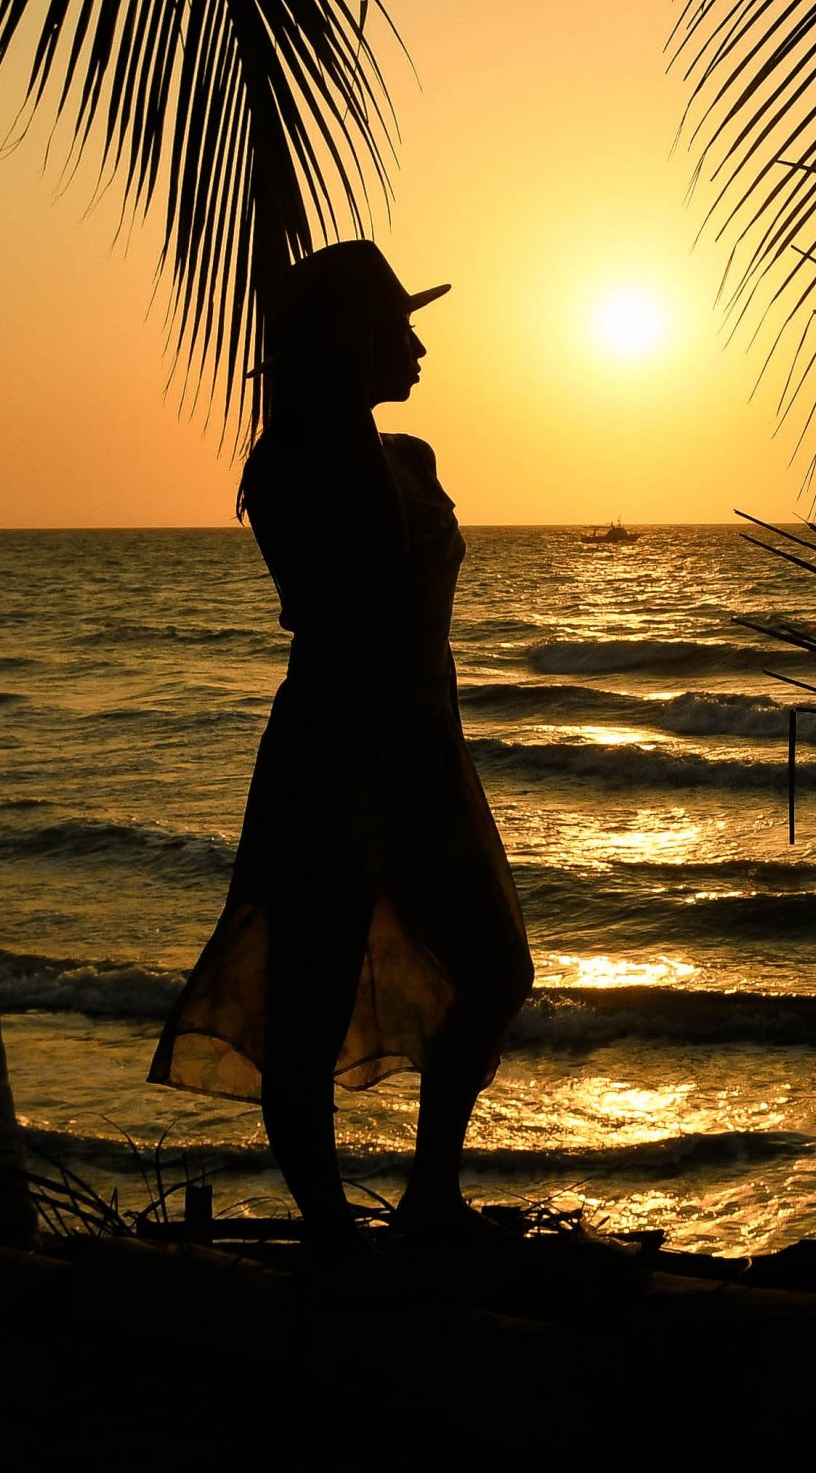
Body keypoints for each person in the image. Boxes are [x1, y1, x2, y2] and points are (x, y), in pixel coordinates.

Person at [149, 241, 532, 1246]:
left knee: (494, 969)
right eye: (397, 327)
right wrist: (338, 405)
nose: (418, 347)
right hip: (331, 747)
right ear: (351, 340)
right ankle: (328, 1231)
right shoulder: (291, 467)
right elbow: (366, 562)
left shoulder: (412, 458)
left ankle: (428, 1198)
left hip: (420, 744)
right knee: (308, 1005)